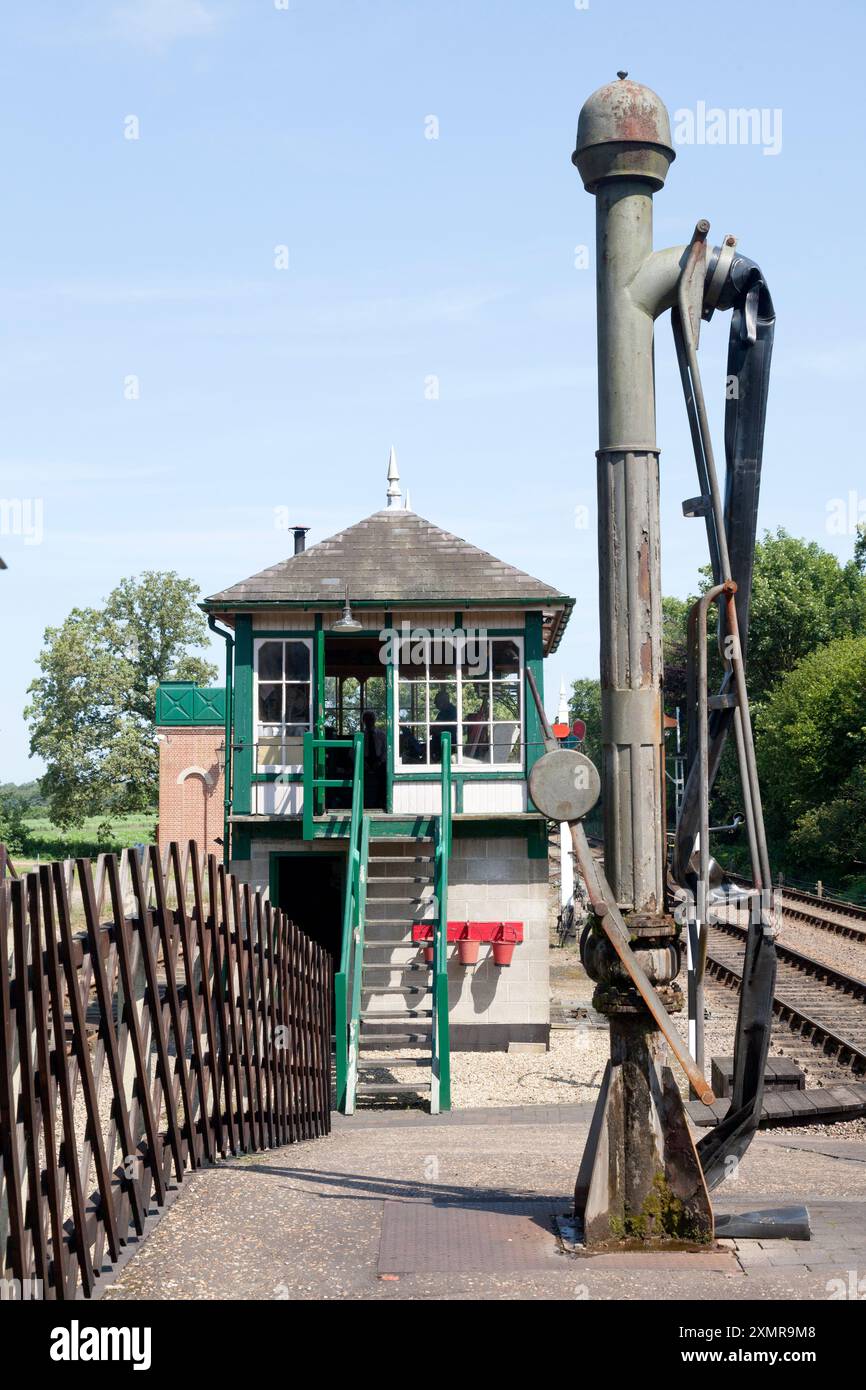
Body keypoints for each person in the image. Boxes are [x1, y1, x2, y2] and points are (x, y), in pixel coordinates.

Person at [362, 709, 387, 808]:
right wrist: (364, 764)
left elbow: (387, 750)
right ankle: (365, 803)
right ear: (363, 721)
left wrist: (380, 761)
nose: (369, 722)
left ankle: (380, 802)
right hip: (364, 762)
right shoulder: (361, 735)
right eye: (366, 719)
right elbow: (352, 753)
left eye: (371, 719)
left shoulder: (382, 735)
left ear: (374, 720)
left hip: (379, 761)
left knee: (383, 778)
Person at [430, 687, 457, 764]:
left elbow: (445, 726)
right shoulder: (442, 713)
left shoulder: (451, 711)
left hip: (447, 743)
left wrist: (435, 729)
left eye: (437, 702)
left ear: (443, 701)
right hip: (440, 742)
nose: (435, 704)